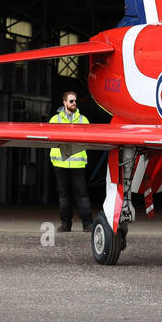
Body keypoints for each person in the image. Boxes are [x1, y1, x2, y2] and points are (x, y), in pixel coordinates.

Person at [49, 90, 92, 232]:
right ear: (64, 102)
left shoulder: (83, 120)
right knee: (63, 196)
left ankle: (87, 224)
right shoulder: (55, 120)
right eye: (71, 101)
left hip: (77, 164)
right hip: (60, 163)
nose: (74, 103)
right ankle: (66, 224)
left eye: (75, 101)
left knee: (82, 195)